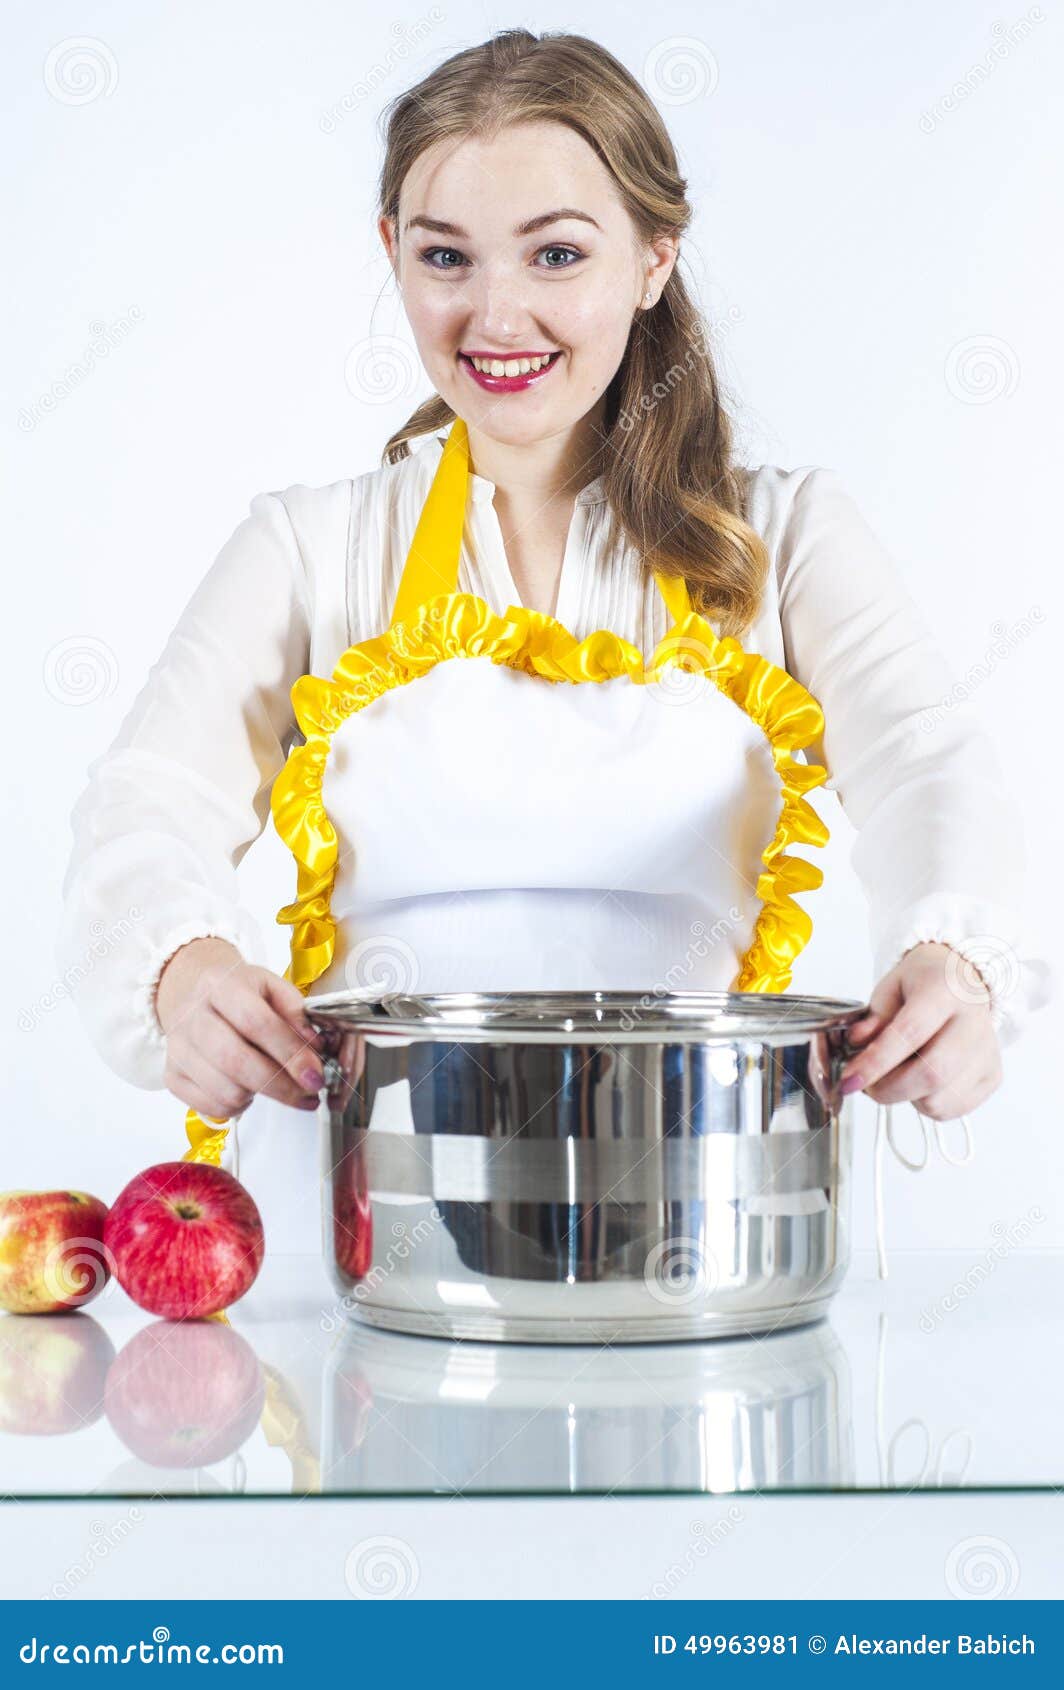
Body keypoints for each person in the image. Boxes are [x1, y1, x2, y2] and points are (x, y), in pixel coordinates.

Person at [55, 28, 1051, 1256]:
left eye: (557, 254)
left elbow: (929, 764)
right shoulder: (308, 550)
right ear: (391, 256)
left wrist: (954, 958)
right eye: (444, 258)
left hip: (697, 1202)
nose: (495, 313)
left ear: (651, 258)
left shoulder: (783, 538)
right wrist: (183, 964)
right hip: (368, 1215)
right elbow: (143, 807)